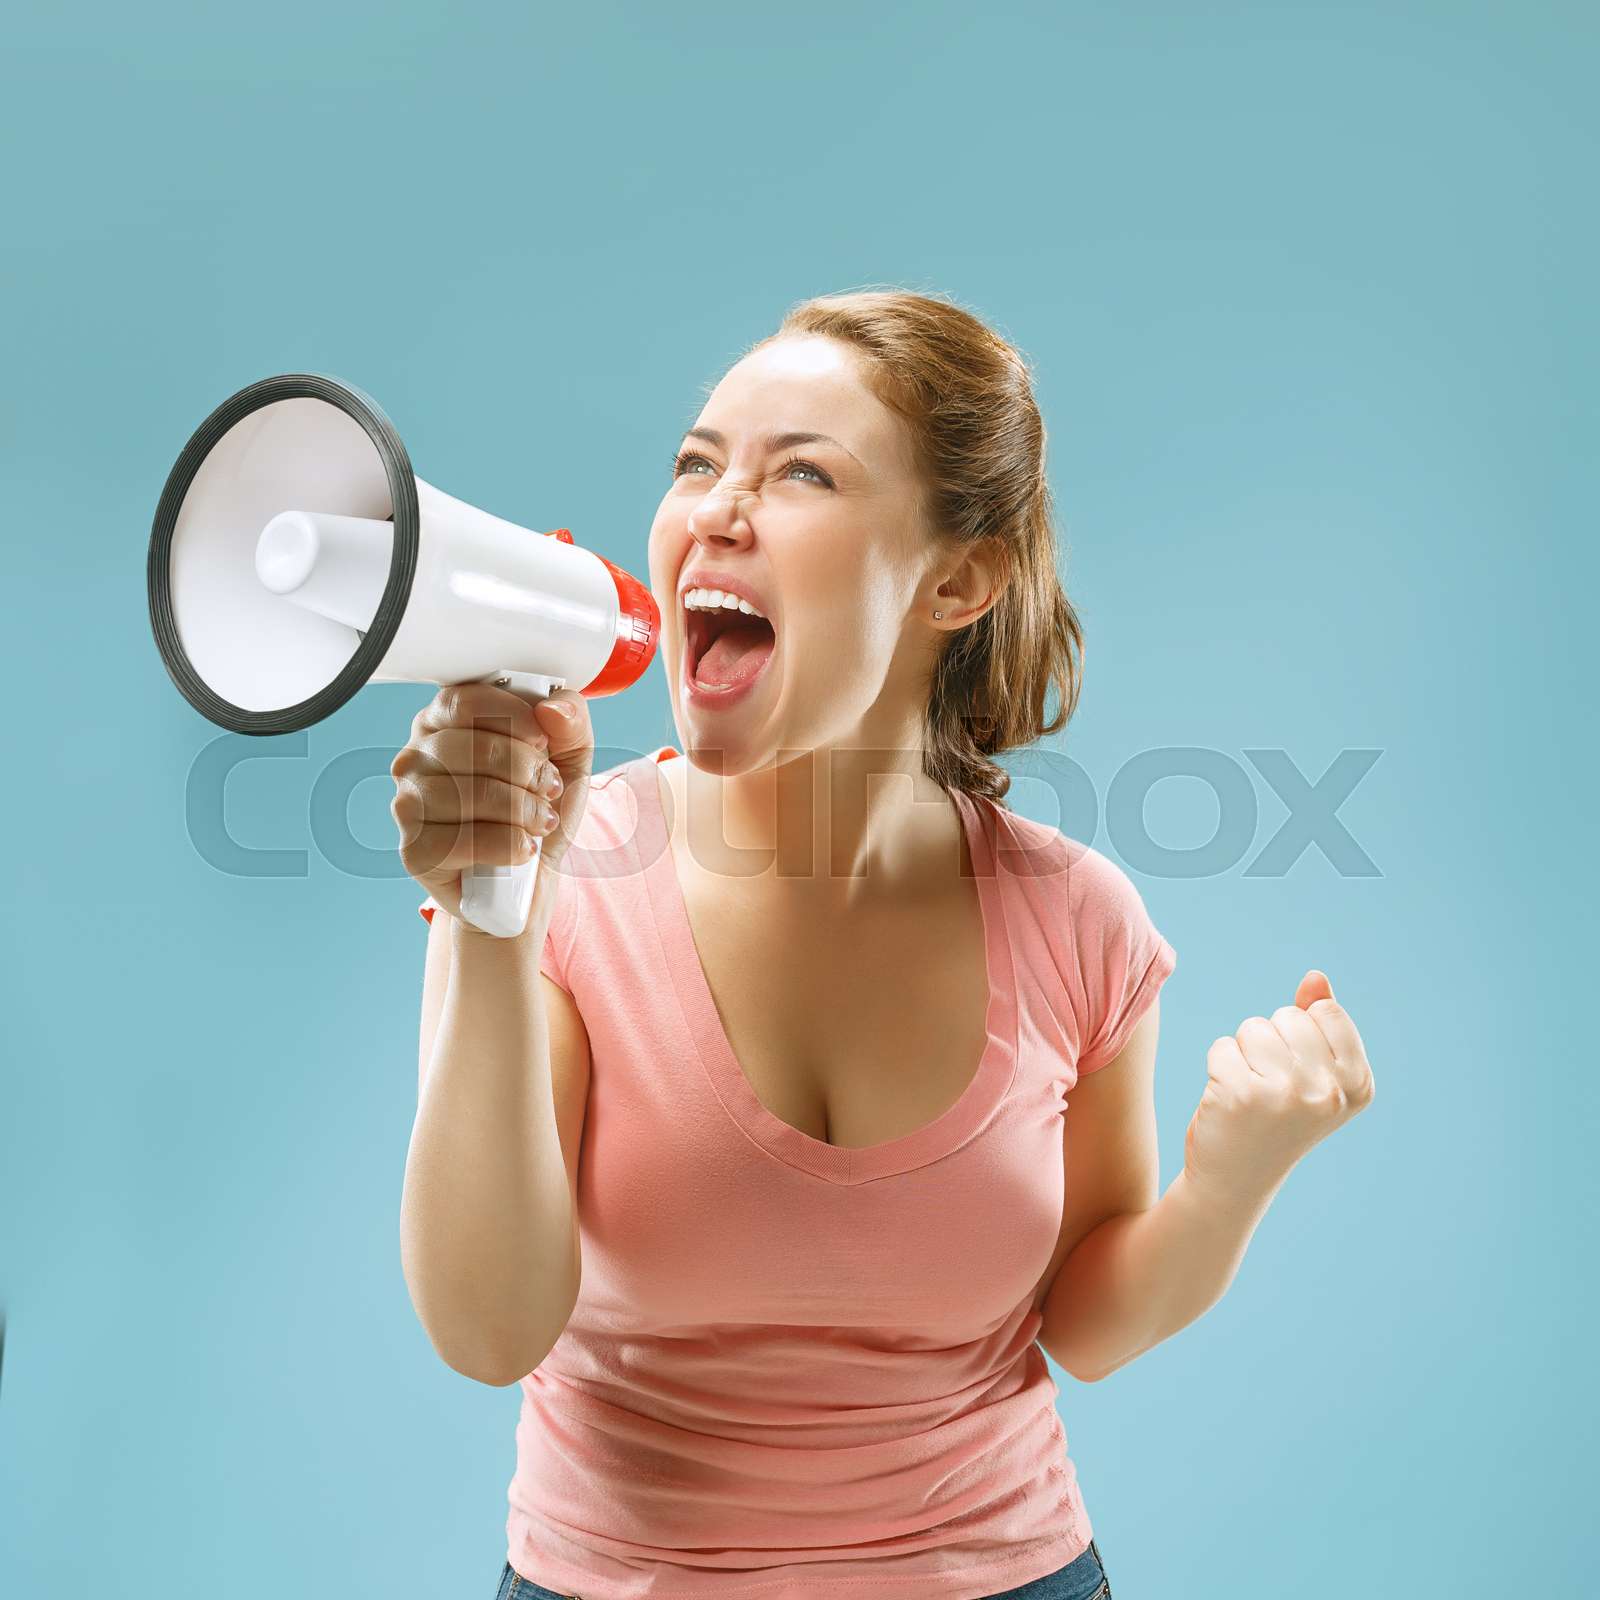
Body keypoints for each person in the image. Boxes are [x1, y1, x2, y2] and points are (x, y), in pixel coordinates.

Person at [391, 288, 1376, 1600]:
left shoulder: (1080, 922)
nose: (716, 509)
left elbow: (1084, 1321)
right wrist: (493, 911)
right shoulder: (549, 880)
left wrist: (1235, 1177)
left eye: (801, 471)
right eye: (696, 464)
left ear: (957, 580)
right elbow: (484, 1327)